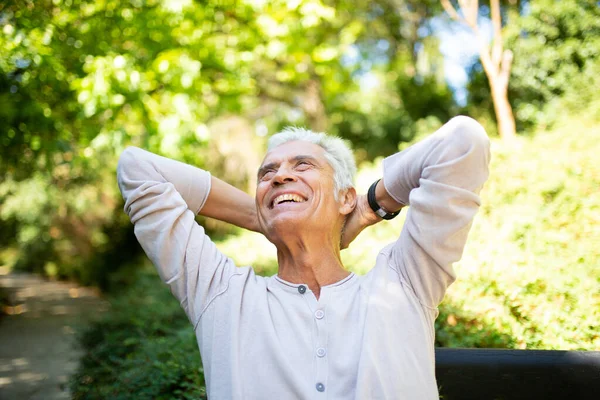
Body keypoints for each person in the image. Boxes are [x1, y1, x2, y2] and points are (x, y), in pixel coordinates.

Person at [117, 115, 490, 399]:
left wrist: (366, 208)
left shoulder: (406, 283)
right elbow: (137, 167)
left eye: (302, 166)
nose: (279, 176)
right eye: (268, 174)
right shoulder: (221, 296)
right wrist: (263, 215)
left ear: (344, 196)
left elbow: (463, 141)